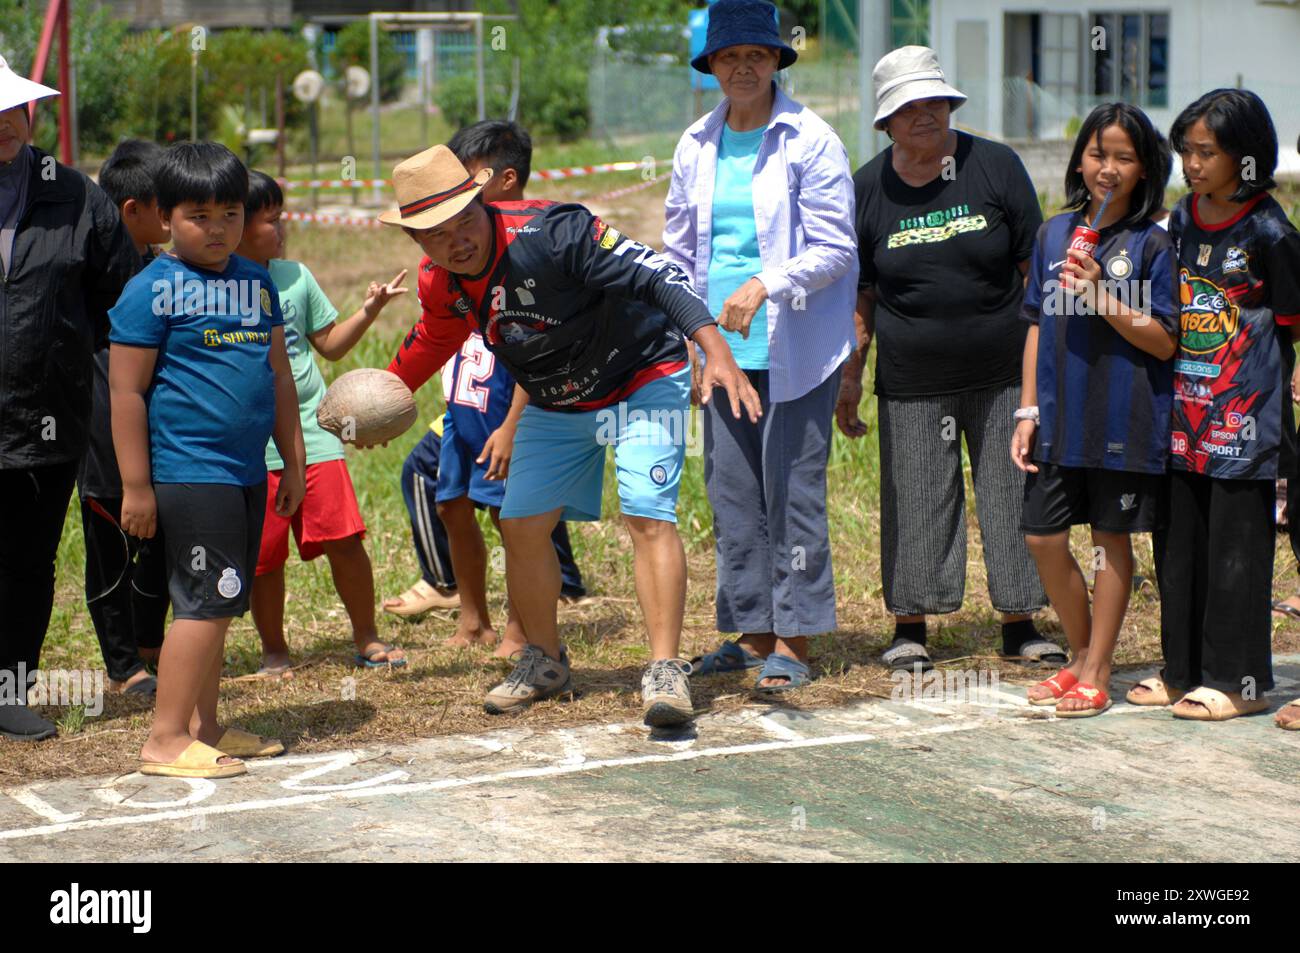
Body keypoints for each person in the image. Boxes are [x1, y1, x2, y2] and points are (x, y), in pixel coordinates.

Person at [377, 144, 760, 726]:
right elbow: (431, 341)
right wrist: (379, 403)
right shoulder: (443, 283)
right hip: (556, 397)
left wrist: (716, 351)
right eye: (437, 234)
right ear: (417, 243)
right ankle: (546, 661)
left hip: (641, 375)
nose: (458, 241)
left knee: (646, 513)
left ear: (484, 200)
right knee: (520, 523)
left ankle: (664, 671)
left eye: (465, 221)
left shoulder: (555, 233)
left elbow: (659, 277)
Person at [841, 45, 1056, 673]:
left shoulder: (995, 166)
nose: (925, 114)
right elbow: (863, 293)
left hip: (1002, 371)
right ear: (886, 122)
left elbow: (1034, 273)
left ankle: (1021, 622)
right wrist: (851, 376)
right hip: (912, 379)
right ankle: (912, 625)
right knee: (916, 499)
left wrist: (1040, 378)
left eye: (935, 100)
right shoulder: (867, 188)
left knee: (1010, 491)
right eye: (909, 107)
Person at [662, 0, 856, 692]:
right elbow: (678, 252)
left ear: (777, 60)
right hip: (721, 354)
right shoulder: (695, 144)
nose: (744, 67)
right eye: (729, 56)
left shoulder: (809, 139)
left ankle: (794, 640)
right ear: (711, 65)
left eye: (758, 55)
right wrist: (693, 339)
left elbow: (835, 248)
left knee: (793, 494)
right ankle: (750, 634)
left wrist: (764, 284)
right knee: (733, 495)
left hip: (796, 349)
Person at [110, 141, 305, 778]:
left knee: (220, 603)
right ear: (165, 216)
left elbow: (279, 378)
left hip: (246, 473)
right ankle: (164, 739)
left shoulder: (256, 281)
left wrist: (294, 464)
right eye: (200, 215)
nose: (217, 228)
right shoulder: (152, 290)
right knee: (200, 604)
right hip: (190, 474)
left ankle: (205, 725)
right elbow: (126, 393)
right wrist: (136, 486)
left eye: (229, 213)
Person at [384, 120, 590, 650]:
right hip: (463, 405)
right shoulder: (447, 267)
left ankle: (525, 628)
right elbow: (431, 338)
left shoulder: (534, 243)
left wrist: (513, 423)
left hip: (509, 403)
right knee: (450, 502)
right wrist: (386, 395)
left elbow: (537, 356)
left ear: (502, 181)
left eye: (466, 181)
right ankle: (472, 618)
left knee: (513, 516)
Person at [1138, 90, 1300, 723]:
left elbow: (1291, 319)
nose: (1193, 163)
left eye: (1207, 152)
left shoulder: (1270, 229)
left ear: (1246, 155)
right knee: (1179, 542)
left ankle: (1238, 682)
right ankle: (1181, 672)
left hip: (1246, 417)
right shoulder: (1181, 217)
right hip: (1184, 411)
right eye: (1187, 151)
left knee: (1237, 549)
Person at [1013, 103, 1178, 717]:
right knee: (1041, 536)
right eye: (1096, 154)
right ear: (1079, 159)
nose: (1107, 169)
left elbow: (1164, 338)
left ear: (1145, 168)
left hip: (1123, 420)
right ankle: (1080, 655)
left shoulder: (1155, 241)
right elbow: (1034, 325)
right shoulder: (1054, 233)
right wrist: (1027, 410)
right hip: (1059, 416)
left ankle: (1098, 669)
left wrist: (1100, 295)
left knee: (1110, 541)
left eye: (1124, 158)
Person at [0, 56, 140, 742]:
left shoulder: (77, 196)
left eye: (13, 109)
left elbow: (120, 300)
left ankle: (9, 689)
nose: (4, 122)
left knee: (27, 560)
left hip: (45, 421)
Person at [237, 170, 408, 674]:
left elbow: (329, 344)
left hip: (315, 433)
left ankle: (368, 637)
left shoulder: (296, 276)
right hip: (253, 443)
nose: (283, 228)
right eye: (272, 220)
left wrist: (369, 310)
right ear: (239, 226)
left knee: (344, 539)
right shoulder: (217, 284)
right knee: (265, 557)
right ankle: (274, 650)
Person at [79, 140, 172, 697]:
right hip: (101, 431)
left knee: (160, 540)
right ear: (132, 210)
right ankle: (122, 667)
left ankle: (150, 646)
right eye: (168, 204)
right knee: (110, 543)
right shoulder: (92, 274)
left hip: (161, 434)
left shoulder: (163, 267)